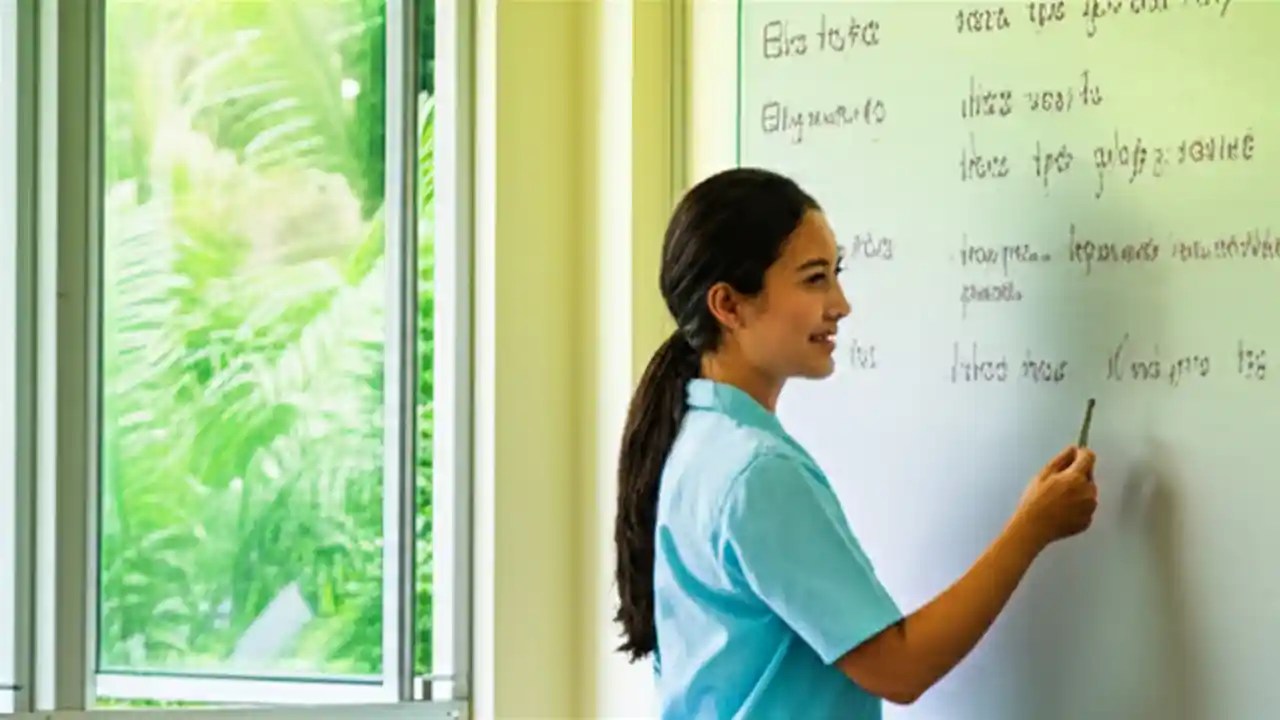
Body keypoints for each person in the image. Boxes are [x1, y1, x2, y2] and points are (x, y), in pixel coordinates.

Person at [613, 167, 1099, 718]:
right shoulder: (757, 473)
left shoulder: (698, 434)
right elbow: (901, 667)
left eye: (835, 274)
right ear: (729, 305)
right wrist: (1033, 526)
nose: (841, 303)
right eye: (814, 279)